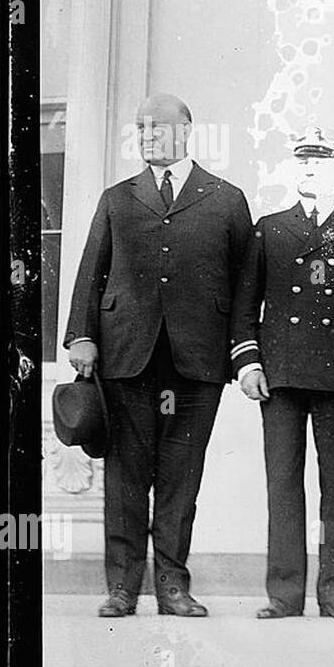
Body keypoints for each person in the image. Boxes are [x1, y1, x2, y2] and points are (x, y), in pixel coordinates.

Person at [64, 93, 253, 618]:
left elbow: (244, 284)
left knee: (180, 477)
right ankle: (122, 588)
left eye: (158, 127)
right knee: (125, 477)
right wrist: (82, 335)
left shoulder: (226, 199)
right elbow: (91, 270)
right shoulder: (118, 198)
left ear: (187, 130)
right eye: (141, 129)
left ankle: (173, 586)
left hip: (197, 361)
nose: (147, 136)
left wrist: (242, 353)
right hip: (127, 356)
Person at [232, 127, 334, 620]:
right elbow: (244, 304)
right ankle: (283, 595)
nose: (309, 169)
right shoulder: (269, 228)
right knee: (282, 483)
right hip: (279, 374)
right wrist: (248, 361)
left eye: (320, 163)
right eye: (302, 162)